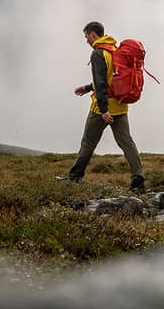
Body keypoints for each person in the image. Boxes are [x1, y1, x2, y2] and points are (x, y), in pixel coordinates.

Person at [62, 21, 146, 191]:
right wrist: (87, 88)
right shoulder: (115, 51)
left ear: (93, 35)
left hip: (103, 108)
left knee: (88, 142)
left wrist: (103, 110)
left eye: (86, 37)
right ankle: (138, 180)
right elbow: (112, 79)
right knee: (126, 142)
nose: (86, 40)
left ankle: (74, 178)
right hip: (121, 106)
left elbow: (101, 83)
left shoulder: (98, 54)